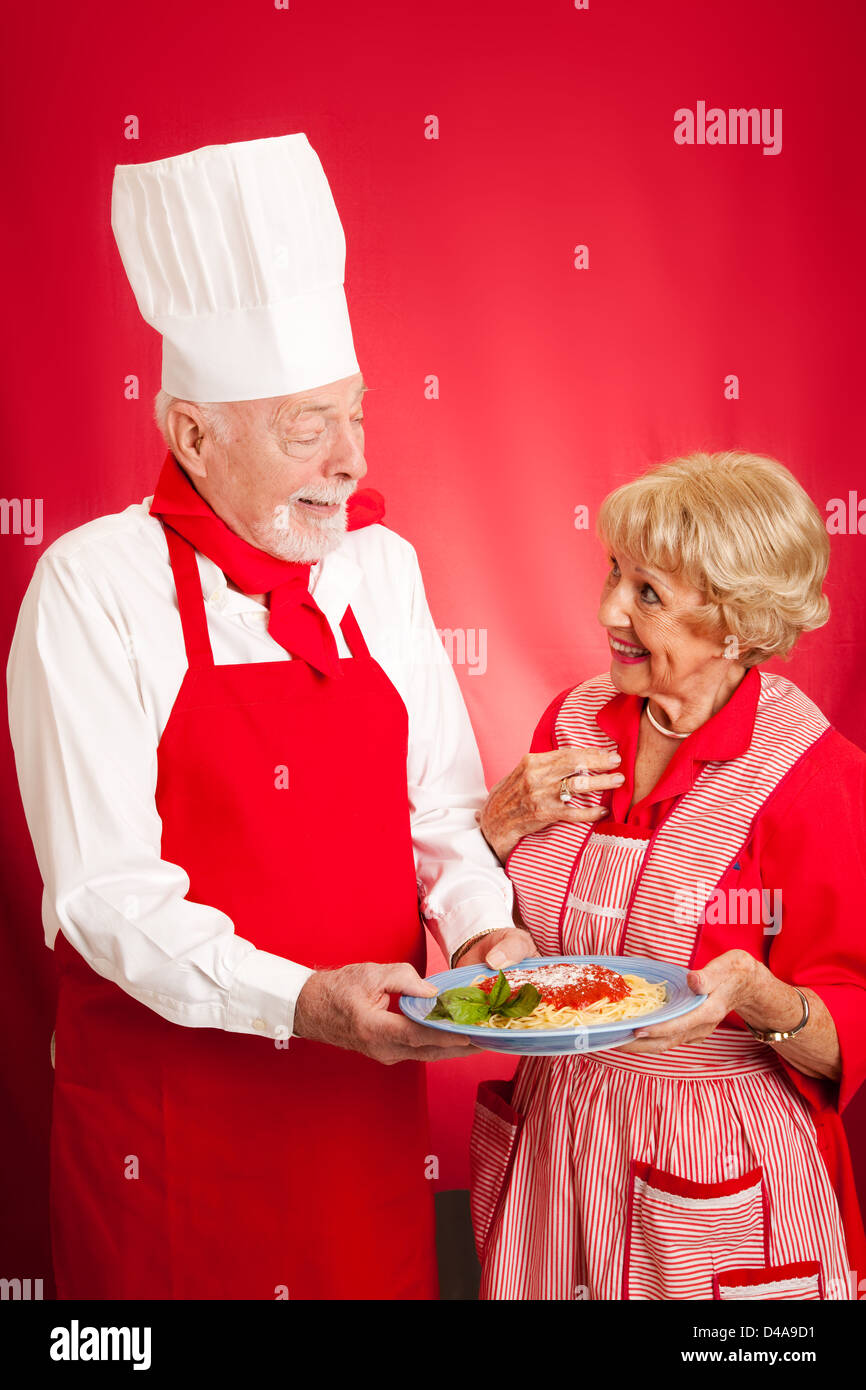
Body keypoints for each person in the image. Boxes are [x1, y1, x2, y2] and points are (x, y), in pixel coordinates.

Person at [6, 133, 526, 1301]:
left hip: (357, 1132)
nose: (349, 464)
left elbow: (439, 806)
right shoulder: (92, 586)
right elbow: (100, 893)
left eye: (356, 417)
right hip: (173, 1147)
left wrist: (486, 932)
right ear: (192, 434)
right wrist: (299, 1001)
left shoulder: (380, 568)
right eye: (306, 428)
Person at [473, 450, 866, 1301]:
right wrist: (493, 833)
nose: (609, 607)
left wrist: (761, 997)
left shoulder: (813, 775)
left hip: (712, 1172)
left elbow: (852, 1027)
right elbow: (498, 902)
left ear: (740, 624)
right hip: (554, 1142)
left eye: (647, 593)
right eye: (615, 571)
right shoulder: (573, 720)